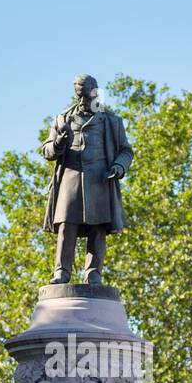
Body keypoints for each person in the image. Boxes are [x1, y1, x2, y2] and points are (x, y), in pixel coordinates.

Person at [42, 73, 134, 285]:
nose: (82, 101)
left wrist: (119, 166)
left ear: (95, 93)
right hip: (70, 180)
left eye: (86, 96)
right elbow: (47, 150)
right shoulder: (62, 119)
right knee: (66, 226)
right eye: (79, 96)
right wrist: (57, 143)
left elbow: (126, 151)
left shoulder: (111, 121)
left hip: (100, 180)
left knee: (98, 228)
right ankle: (61, 272)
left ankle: (93, 273)